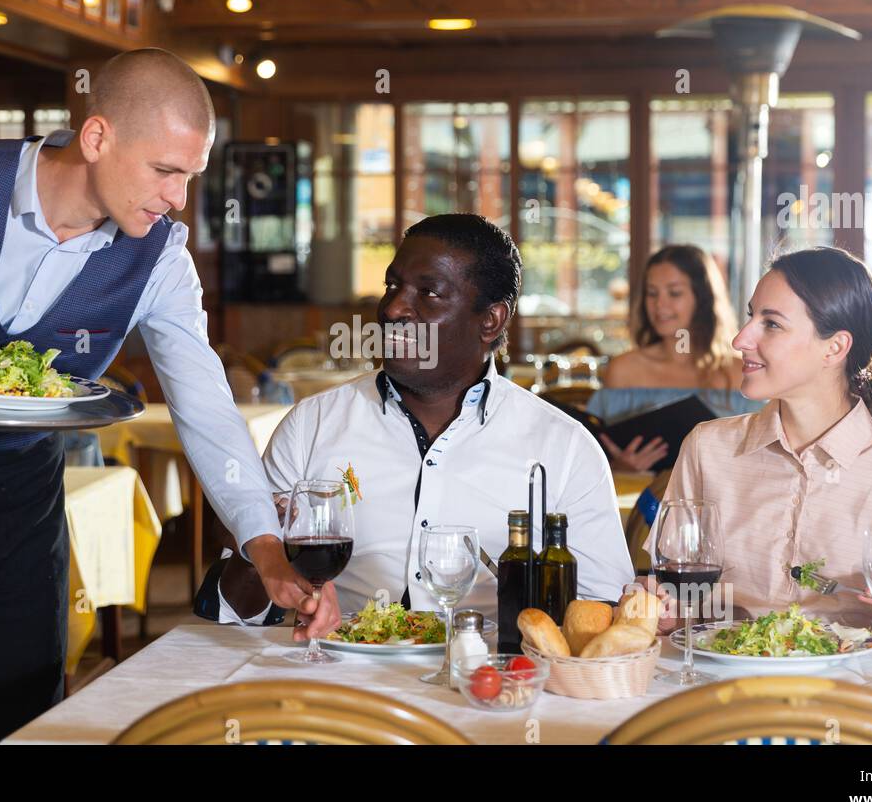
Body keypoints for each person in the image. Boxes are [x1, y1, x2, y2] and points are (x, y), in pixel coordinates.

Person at [0, 49, 321, 744]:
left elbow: (205, 404)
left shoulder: (160, 258)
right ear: (97, 137)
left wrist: (263, 546)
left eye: (190, 178)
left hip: (19, 518)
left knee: (19, 716)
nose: (178, 200)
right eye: (165, 171)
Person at [197, 214, 635, 626]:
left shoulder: (564, 448)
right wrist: (253, 548)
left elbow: (601, 610)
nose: (393, 309)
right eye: (393, 286)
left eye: (428, 293)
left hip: (491, 685)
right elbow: (232, 615)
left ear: (490, 319)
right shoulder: (311, 426)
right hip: (342, 682)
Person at [649, 246, 872, 637]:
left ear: (834, 347)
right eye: (752, 316)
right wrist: (668, 615)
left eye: (771, 324)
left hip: (852, 694)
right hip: (726, 691)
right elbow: (677, 599)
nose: (740, 339)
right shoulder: (707, 449)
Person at [595, 245, 746, 472]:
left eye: (674, 293)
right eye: (652, 293)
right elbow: (592, 457)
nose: (660, 305)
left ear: (702, 299)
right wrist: (617, 468)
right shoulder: (624, 370)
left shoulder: (737, 372)